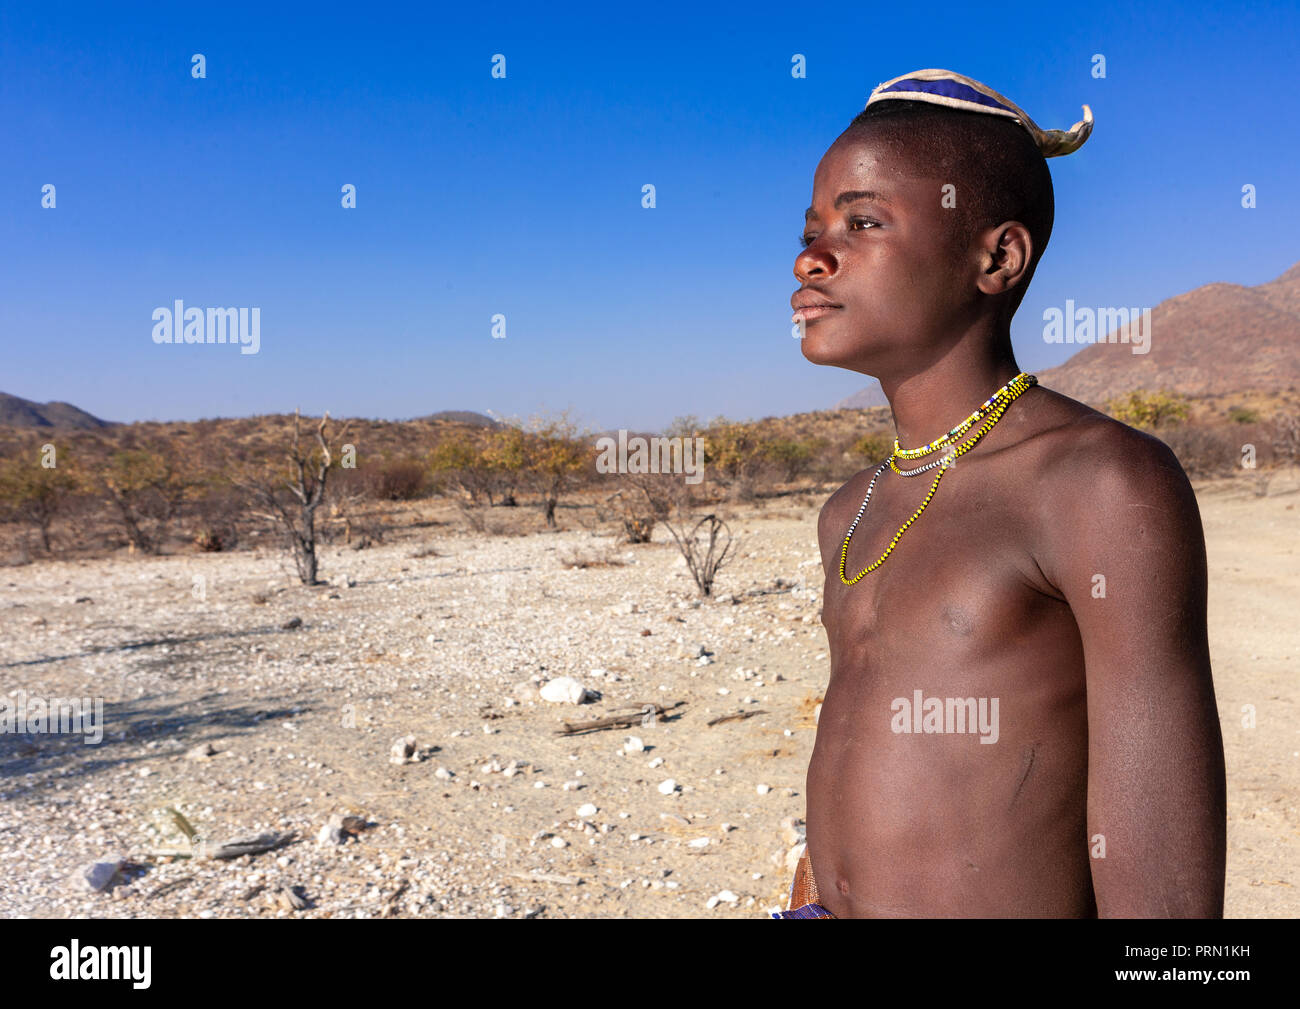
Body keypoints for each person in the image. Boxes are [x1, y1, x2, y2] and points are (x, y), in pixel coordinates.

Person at [776, 69, 1226, 918]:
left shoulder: (1100, 483)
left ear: (998, 257)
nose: (811, 256)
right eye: (812, 228)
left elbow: (1163, 876)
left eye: (862, 222)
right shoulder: (853, 507)